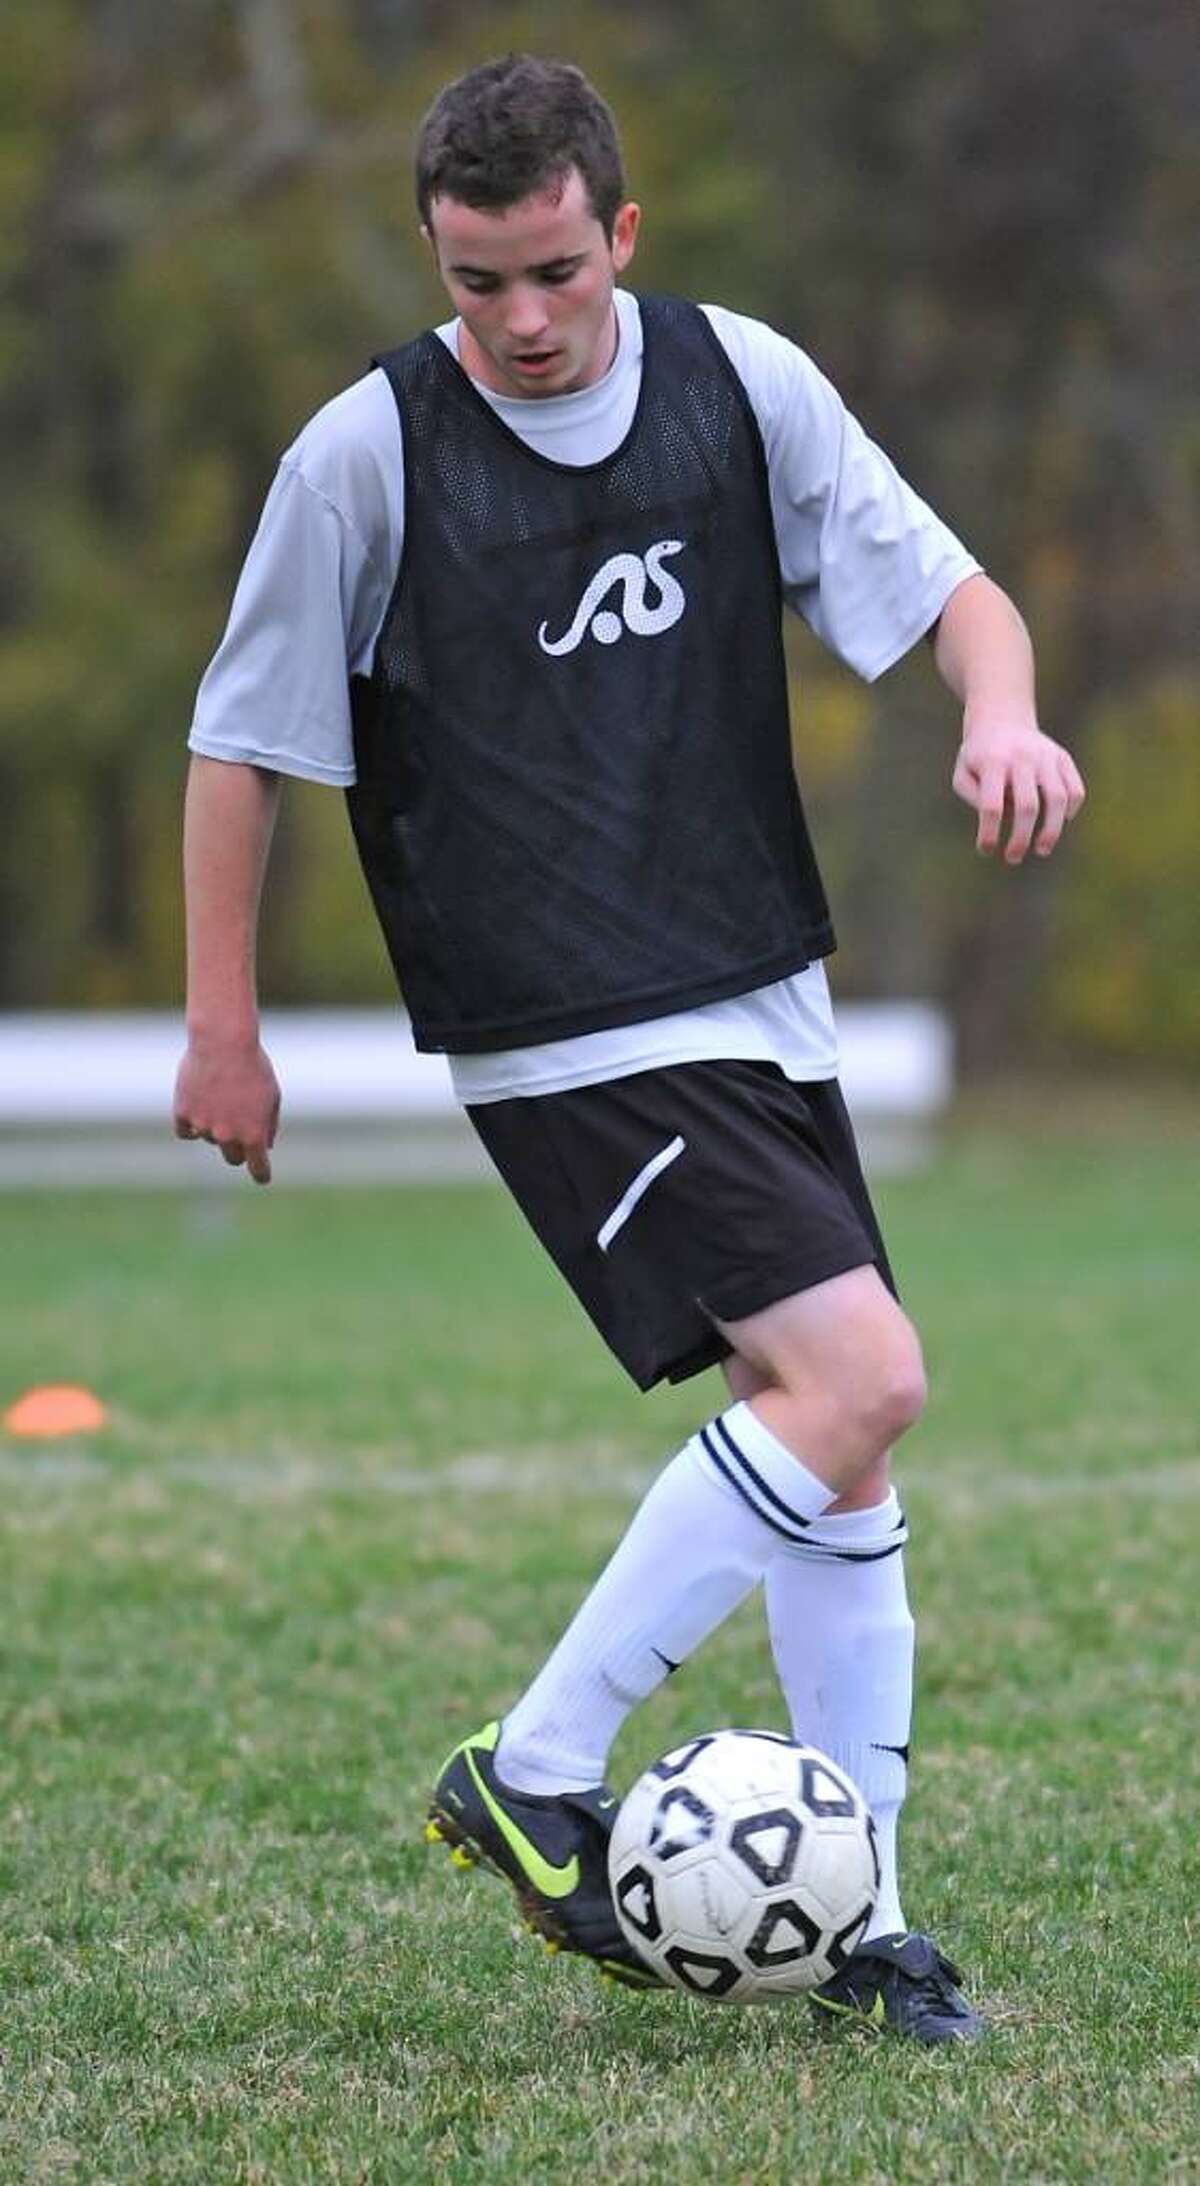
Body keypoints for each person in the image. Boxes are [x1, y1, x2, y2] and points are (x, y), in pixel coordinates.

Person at [175, 54, 1085, 2044]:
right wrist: (223, 1023)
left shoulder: (736, 384)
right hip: (562, 1019)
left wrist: (999, 716)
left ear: (624, 237)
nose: (517, 318)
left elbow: (963, 598)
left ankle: (865, 1926)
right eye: (475, 278)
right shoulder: (366, 454)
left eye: (554, 273)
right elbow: (241, 742)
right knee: (866, 1372)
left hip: (761, 992)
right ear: (438, 256)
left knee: (843, 1455)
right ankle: (541, 1765)